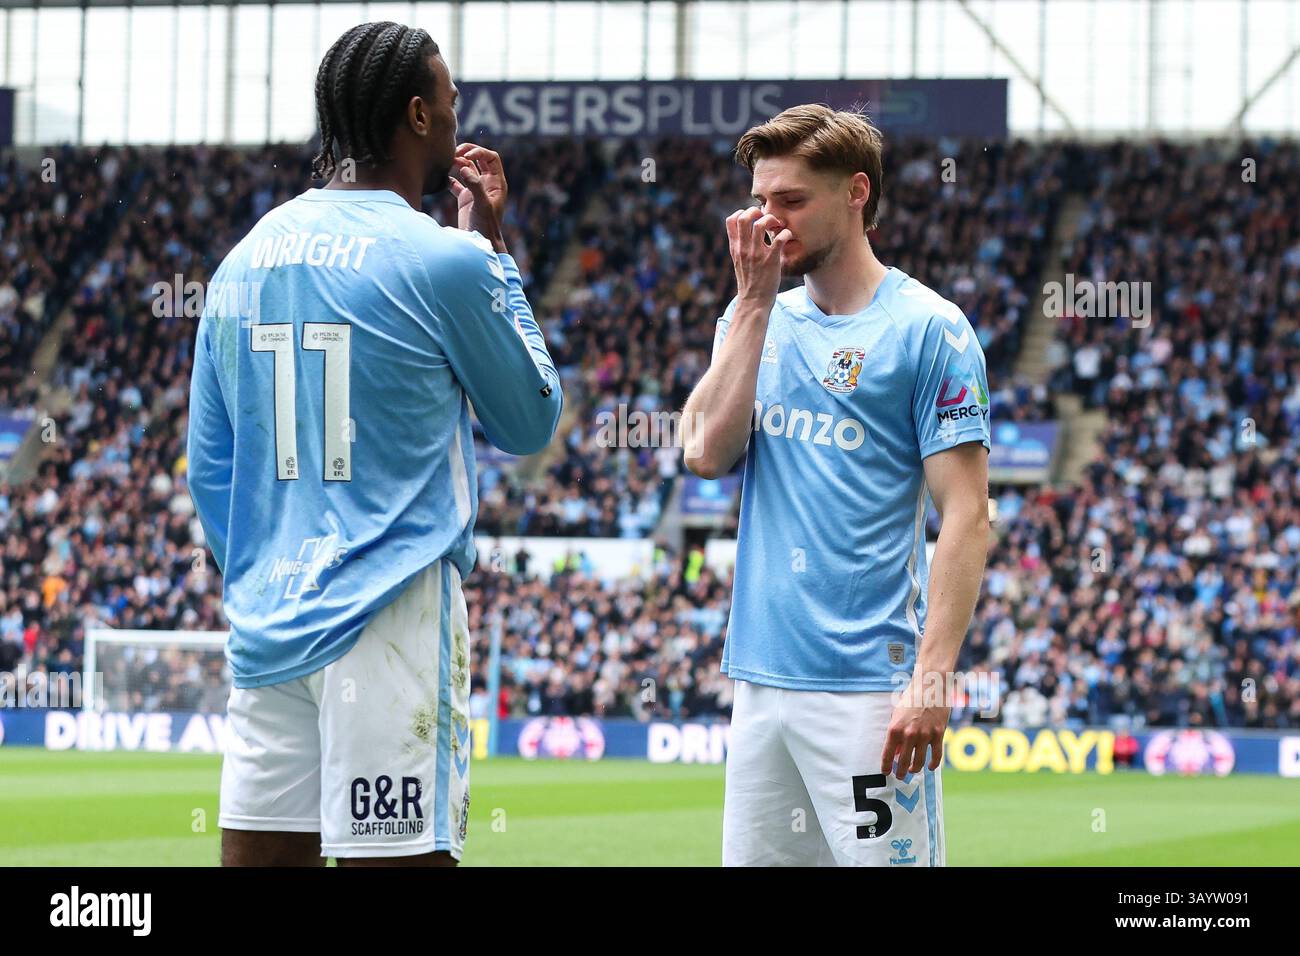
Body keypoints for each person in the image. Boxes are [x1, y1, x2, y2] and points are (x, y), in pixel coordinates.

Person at [186, 21, 562, 866]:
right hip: (390, 611)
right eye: (454, 105)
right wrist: (492, 250)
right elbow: (529, 418)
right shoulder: (445, 259)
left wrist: (261, 567)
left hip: (270, 621)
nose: (461, 123)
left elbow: (210, 465)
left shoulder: (241, 263)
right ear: (421, 115)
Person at [682, 104, 990, 866]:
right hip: (758, 680)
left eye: (790, 202)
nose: (769, 222)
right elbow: (702, 454)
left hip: (868, 692)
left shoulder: (929, 329)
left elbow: (966, 515)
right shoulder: (753, 315)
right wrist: (752, 304)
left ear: (856, 193)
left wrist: (931, 680)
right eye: (760, 202)